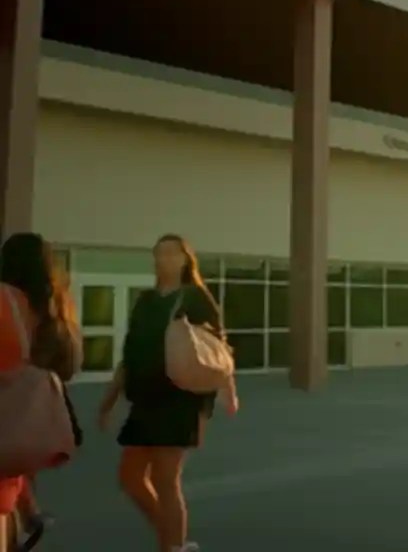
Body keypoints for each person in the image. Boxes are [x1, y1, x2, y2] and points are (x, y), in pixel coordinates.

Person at [98, 234, 238, 552]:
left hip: (179, 400)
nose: (163, 259)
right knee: (130, 478)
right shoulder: (146, 301)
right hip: (145, 400)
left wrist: (209, 408)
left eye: (171, 253)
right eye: (159, 253)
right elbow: (129, 354)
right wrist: (109, 400)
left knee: (165, 479)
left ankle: (172, 544)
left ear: (186, 259)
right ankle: (172, 537)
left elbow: (216, 354)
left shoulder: (196, 298)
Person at [0, 233, 82, 552]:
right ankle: (27, 519)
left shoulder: (7, 303)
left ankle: (26, 521)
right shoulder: (56, 306)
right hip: (31, 414)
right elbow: (70, 360)